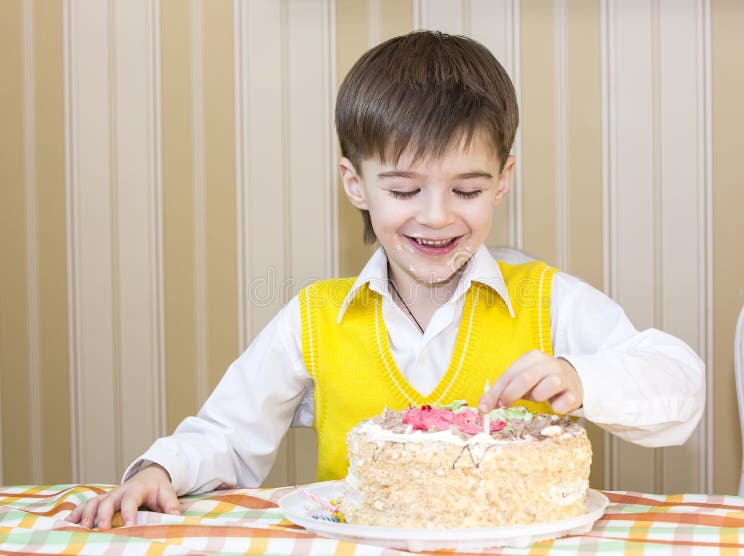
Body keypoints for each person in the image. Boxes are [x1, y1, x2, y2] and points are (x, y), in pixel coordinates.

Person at [68, 30, 705, 530]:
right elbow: (227, 437)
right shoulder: (315, 319)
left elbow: (679, 387)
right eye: (403, 190)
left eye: (467, 190)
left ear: (503, 181)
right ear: (356, 185)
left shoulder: (549, 302)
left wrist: (581, 377)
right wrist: (159, 470)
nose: (437, 216)